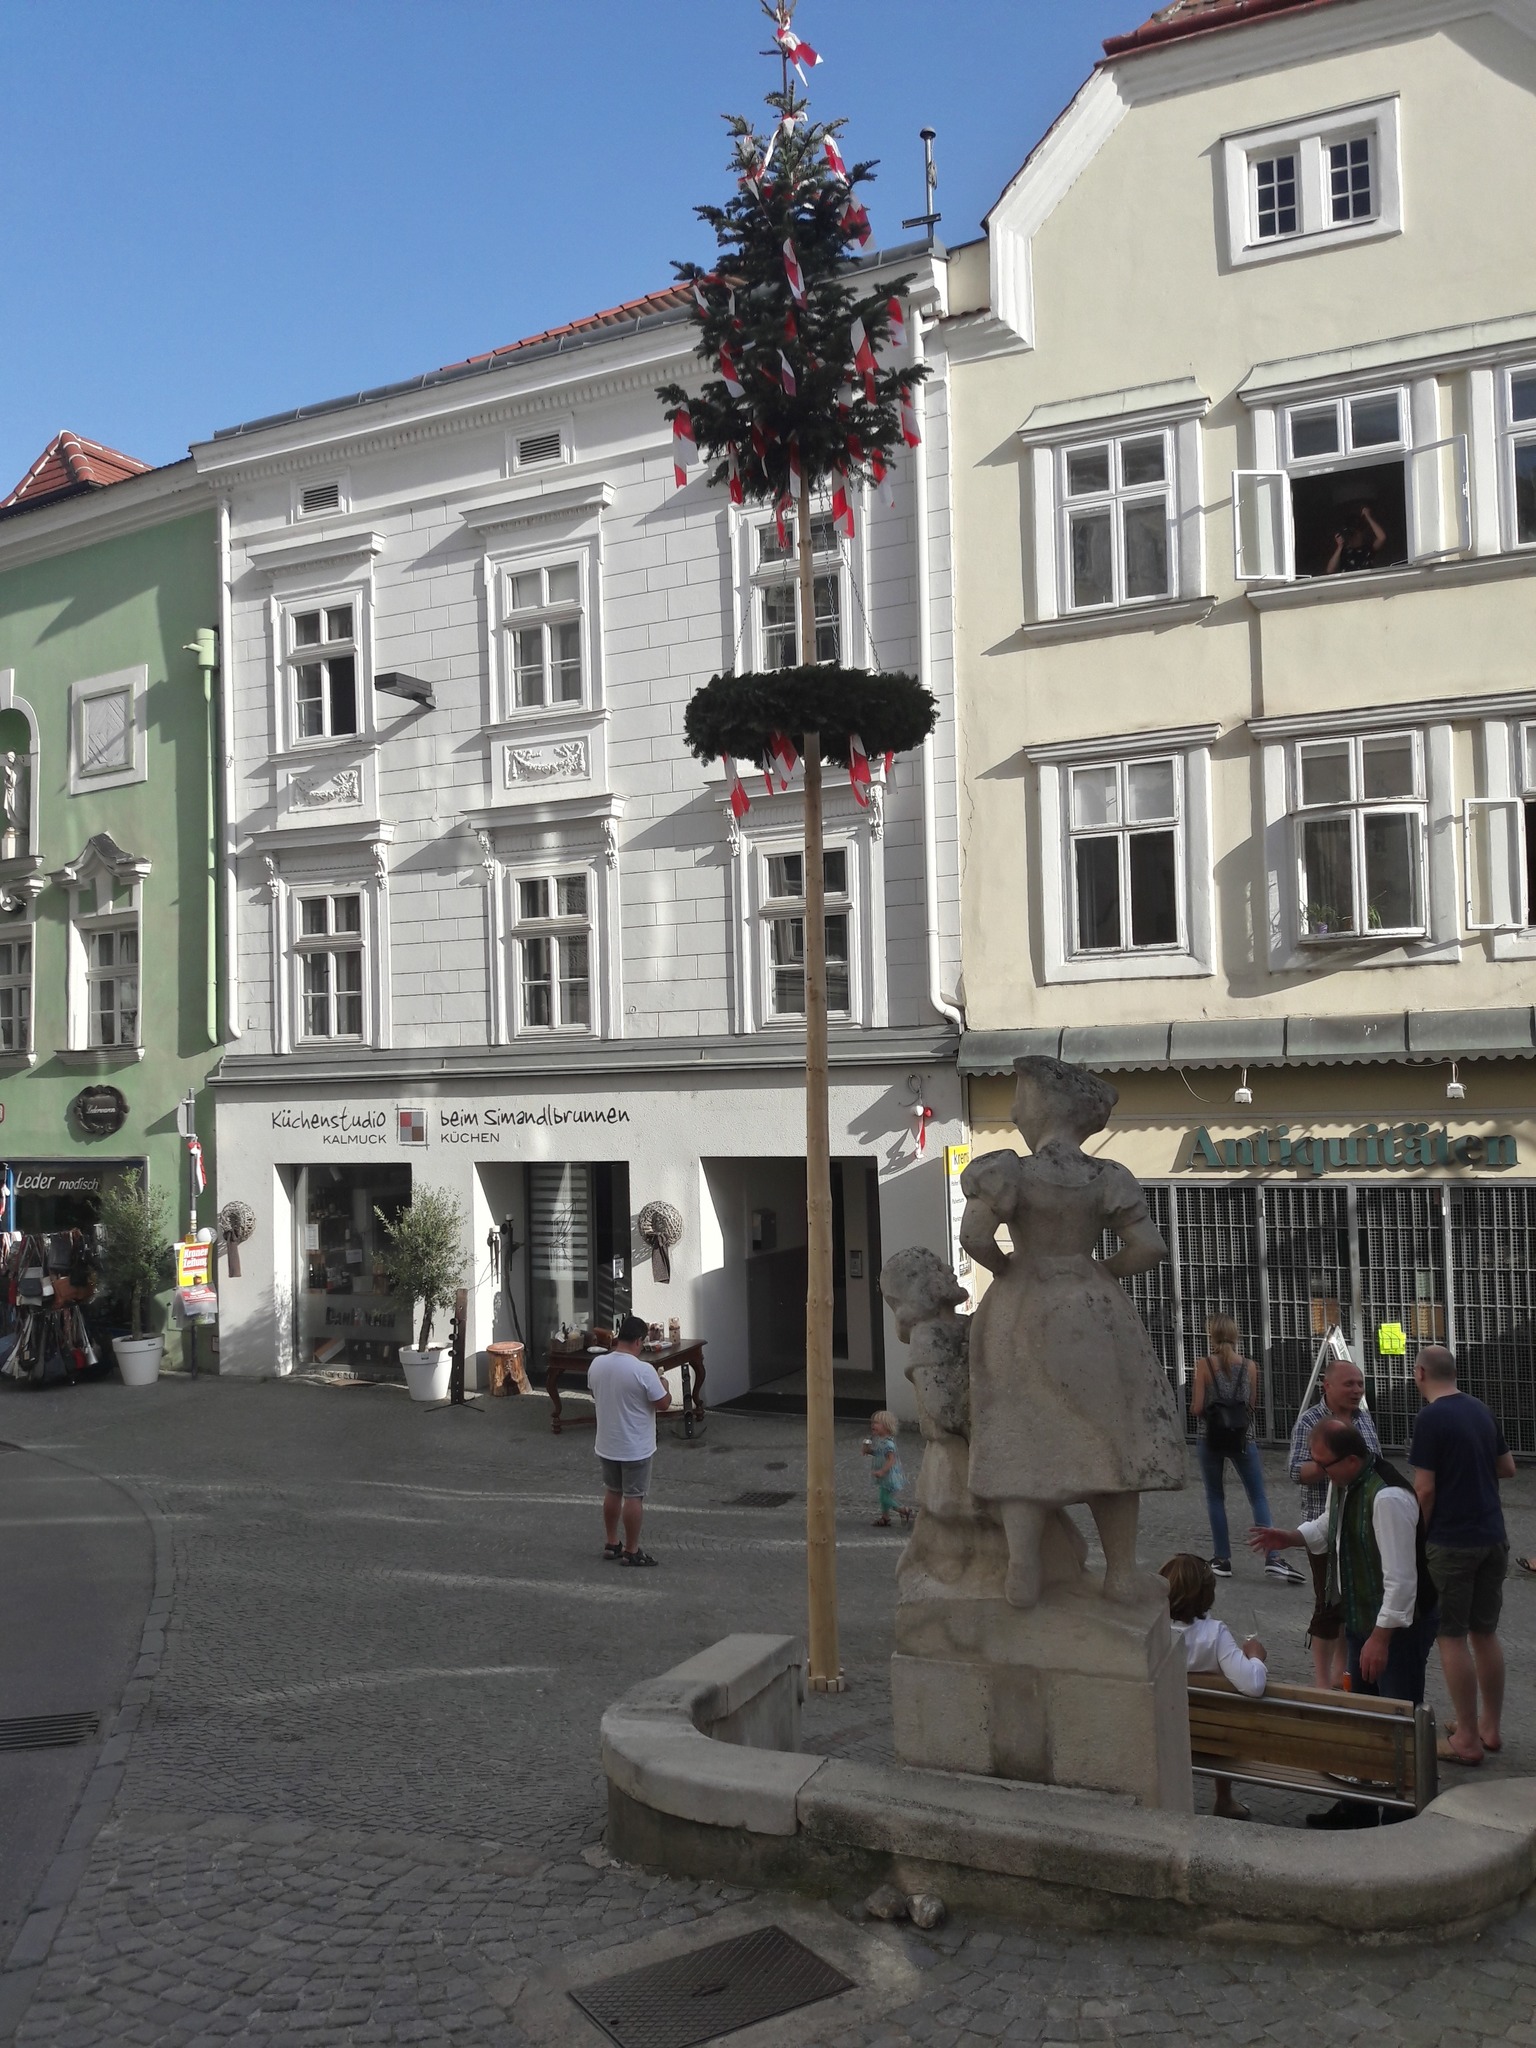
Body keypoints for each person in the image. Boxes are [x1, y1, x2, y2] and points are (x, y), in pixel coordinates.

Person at [957, 1057, 1184, 1611]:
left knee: (1022, 1432)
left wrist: (1007, 1268)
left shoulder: (1008, 1171)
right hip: (1091, 1308)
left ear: (1037, 1111)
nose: (1013, 1110)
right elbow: (1150, 1248)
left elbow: (975, 1237)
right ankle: (1121, 1573)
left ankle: (1023, 1567)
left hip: (1022, 1306)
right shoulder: (1107, 1177)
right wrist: (1101, 1270)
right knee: (1114, 1440)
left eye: (1018, 1100)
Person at [1250, 1418, 1437, 1828]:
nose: (1318, 1471)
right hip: (1363, 1618)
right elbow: (1328, 1527)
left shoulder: (1388, 1498)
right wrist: (1291, 1537)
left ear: (1352, 1459)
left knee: (1397, 1721)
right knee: (1363, 1716)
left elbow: (1402, 1581)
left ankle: (1401, 1818)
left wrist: (1380, 1638)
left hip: (1398, 1628)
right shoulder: (1347, 1482)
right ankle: (1358, 1808)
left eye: (1324, 1463)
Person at [1409, 1345, 1516, 1766]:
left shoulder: (1430, 1418)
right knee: (1484, 1633)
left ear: (1420, 1374)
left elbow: (1425, 1488)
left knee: (1450, 1636)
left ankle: (1466, 1740)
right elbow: (1507, 1467)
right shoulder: (1480, 1409)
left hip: (1453, 1541)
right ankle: (1489, 1727)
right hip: (1493, 1534)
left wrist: (1418, 1537)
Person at [1289, 1352, 1382, 1686]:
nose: (1357, 1390)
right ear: (1327, 1386)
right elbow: (1295, 1471)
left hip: (1362, 1528)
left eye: (1360, 1383)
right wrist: (1333, 1464)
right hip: (1322, 1529)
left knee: (1352, 1607)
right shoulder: (1310, 1421)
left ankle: (1346, 1675)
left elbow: (1375, 1464)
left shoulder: (1363, 1418)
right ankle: (1321, 1683)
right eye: (1349, 1384)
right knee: (1327, 1609)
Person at [1191, 1315, 1303, 1585]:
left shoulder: (1204, 1365)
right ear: (1236, 1335)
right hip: (1244, 1438)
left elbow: (1196, 1408)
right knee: (1258, 1496)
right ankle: (1273, 1557)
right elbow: (1251, 1405)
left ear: (1212, 1336)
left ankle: (1222, 1559)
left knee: (1216, 1497)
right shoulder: (1251, 1367)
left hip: (1210, 1439)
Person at [1161, 1553, 1267, 1821]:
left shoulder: (1151, 1629)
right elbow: (1253, 1685)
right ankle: (1223, 1799)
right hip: (1210, 1738)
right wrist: (1256, 1656)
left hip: (1161, 1730)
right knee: (1223, 1715)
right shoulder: (1215, 1634)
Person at [588, 1314, 671, 1569]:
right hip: (635, 1446)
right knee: (634, 1497)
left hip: (607, 1442)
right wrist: (664, 1383)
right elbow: (664, 1404)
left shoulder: (597, 1365)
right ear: (638, 1341)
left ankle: (612, 1542)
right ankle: (632, 1550)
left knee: (613, 1491)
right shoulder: (643, 1370)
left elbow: (594, 1391)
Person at [863, 1409, 912, 1527]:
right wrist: (869, 1450)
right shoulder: (881, 1441)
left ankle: (904, 1510)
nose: (873, 1425)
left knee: (884, 1498)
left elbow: (891, 1459)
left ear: (886, 1426)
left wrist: (882, 1471)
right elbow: (879, 1454)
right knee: (883, 1496)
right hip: (885, 1476)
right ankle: (885, 1517)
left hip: (889, 1476)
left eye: (876, 1423)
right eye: (872, 1423)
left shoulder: (889, 1444)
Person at [1325, 502, 1388, 574]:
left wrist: (1368, 517)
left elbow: (1382, 537)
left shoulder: (1368, 548)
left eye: (1356, 532)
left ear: (1361, 533)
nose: (1354, 536)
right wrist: (1339, 547)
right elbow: (1330, 570)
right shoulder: (1343, 552)